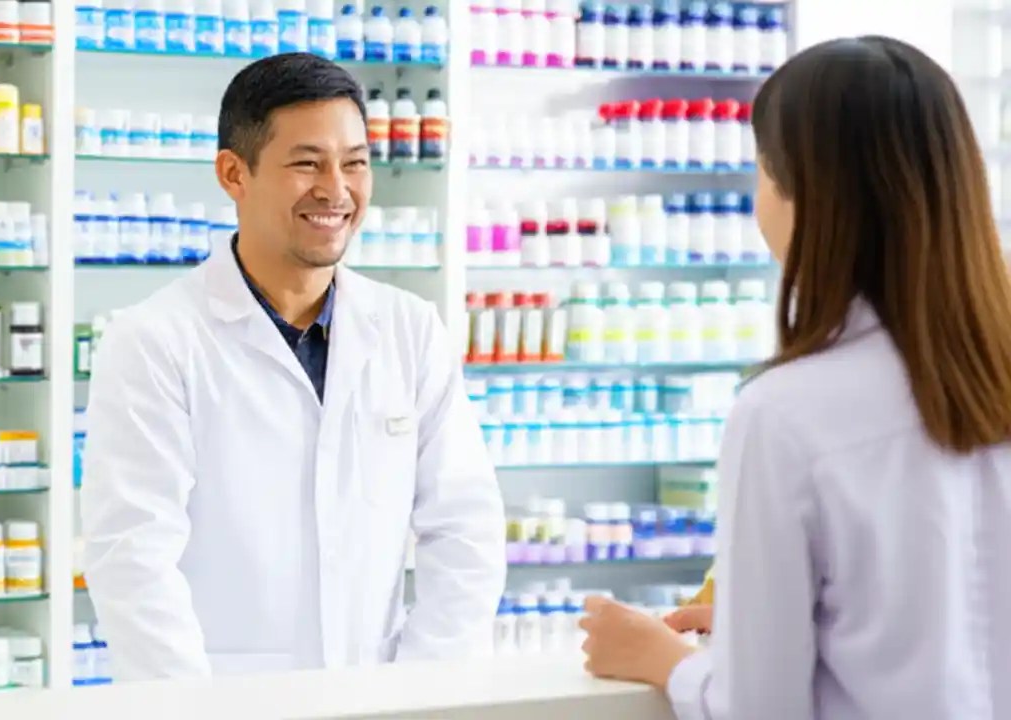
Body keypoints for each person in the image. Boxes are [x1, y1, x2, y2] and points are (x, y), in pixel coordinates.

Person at [579, 35, 1011, 719]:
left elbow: (762, 709)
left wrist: (664, 661)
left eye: (763, 173)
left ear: (805, 195)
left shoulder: (786, 413)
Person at [80, 53, 506, 681]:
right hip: (224, 700)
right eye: (307, 163)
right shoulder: (153, 340)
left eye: (355, 163)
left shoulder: (409, 330)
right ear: (234, 173)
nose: (336, 190)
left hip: (381, 693)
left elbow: (466, 530)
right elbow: (132, 562)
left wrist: (423, 687)